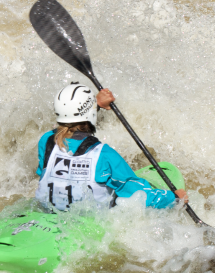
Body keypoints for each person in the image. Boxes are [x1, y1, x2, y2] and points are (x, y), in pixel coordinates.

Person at [36, 82, 187, 211]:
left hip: (48, 212)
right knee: (119, 197)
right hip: (88, 223)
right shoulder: (105, 155)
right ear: (91, 115)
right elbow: (140, 196)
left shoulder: (46, 141)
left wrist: (96, 104)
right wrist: (173, 198)